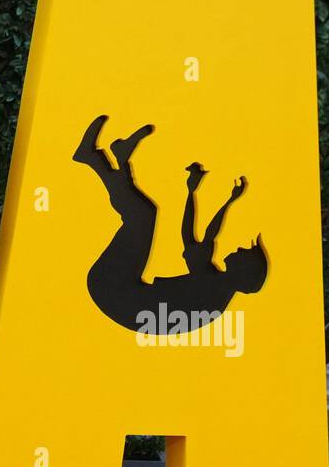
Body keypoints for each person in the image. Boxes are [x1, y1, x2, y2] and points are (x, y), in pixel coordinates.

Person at [72, 113, 268, 333]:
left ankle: (95, 158)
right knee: (143, 216)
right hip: (120, 292)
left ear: (244, 270)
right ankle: (116, 159)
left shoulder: (212, 288)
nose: (240, 248)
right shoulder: (217, 288)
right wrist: (218, 198)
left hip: (111, 288)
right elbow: (205, 237)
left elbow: (192, 237)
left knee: (142, 217)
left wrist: (194, 191)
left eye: (245, 253)